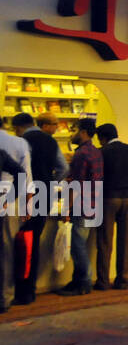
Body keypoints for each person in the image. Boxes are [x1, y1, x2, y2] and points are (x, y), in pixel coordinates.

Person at [11, 112, 65, 305]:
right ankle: (30, 289)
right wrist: (50, 183)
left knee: (20, 245)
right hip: (45, 196)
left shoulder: (20, 142)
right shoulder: (51, 142)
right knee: (32, 242)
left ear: (18, 127)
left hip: (26, 199)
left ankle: (21, 291)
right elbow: (63, 168)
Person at [57, 119, 103, 296]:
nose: (72, 133)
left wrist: (67, 209)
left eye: (74, 129)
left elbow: (76, 185)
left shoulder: (81, 154)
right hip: (93, 204)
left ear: (83, 132)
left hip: (81, 205)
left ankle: (83, 282)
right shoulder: (96, 152)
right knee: (80, 244)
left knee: (78, 246)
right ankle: (77, 281)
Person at [94, 124, 128, 291]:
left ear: (103, 138)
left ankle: (103, 281)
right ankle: (123, 279)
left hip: (109, 198)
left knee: (105, 241)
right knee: (126, 240)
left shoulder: (102, 152)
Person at [0, 121, 31, 313]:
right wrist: (12, 197)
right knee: (5, 250)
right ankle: (4, 297)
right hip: (6, 203)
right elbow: (23, 174)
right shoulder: (13, 145)